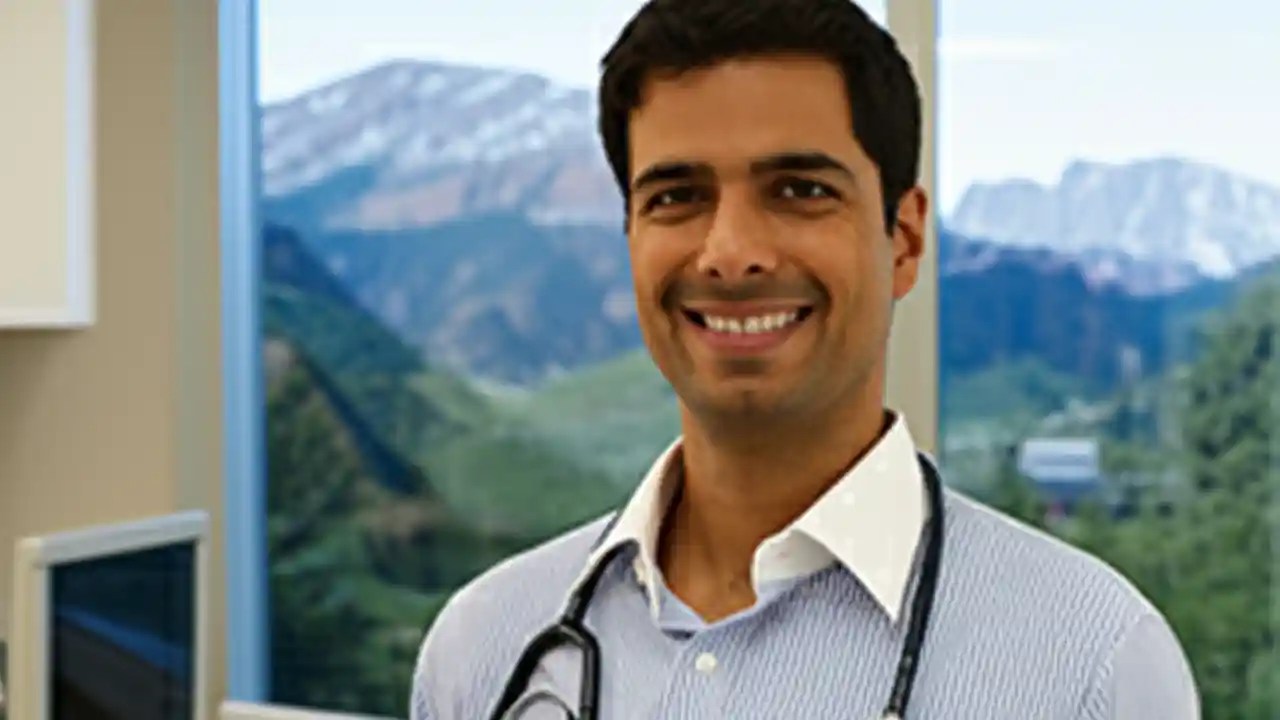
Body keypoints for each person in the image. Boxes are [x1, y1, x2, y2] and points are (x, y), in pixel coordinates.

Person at [409, 0, 1200, 717]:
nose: (730, 253)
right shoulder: (485, 652)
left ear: (905, 237)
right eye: (677, 196)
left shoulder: (1093, 668)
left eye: (799, 190)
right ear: (629, 238)